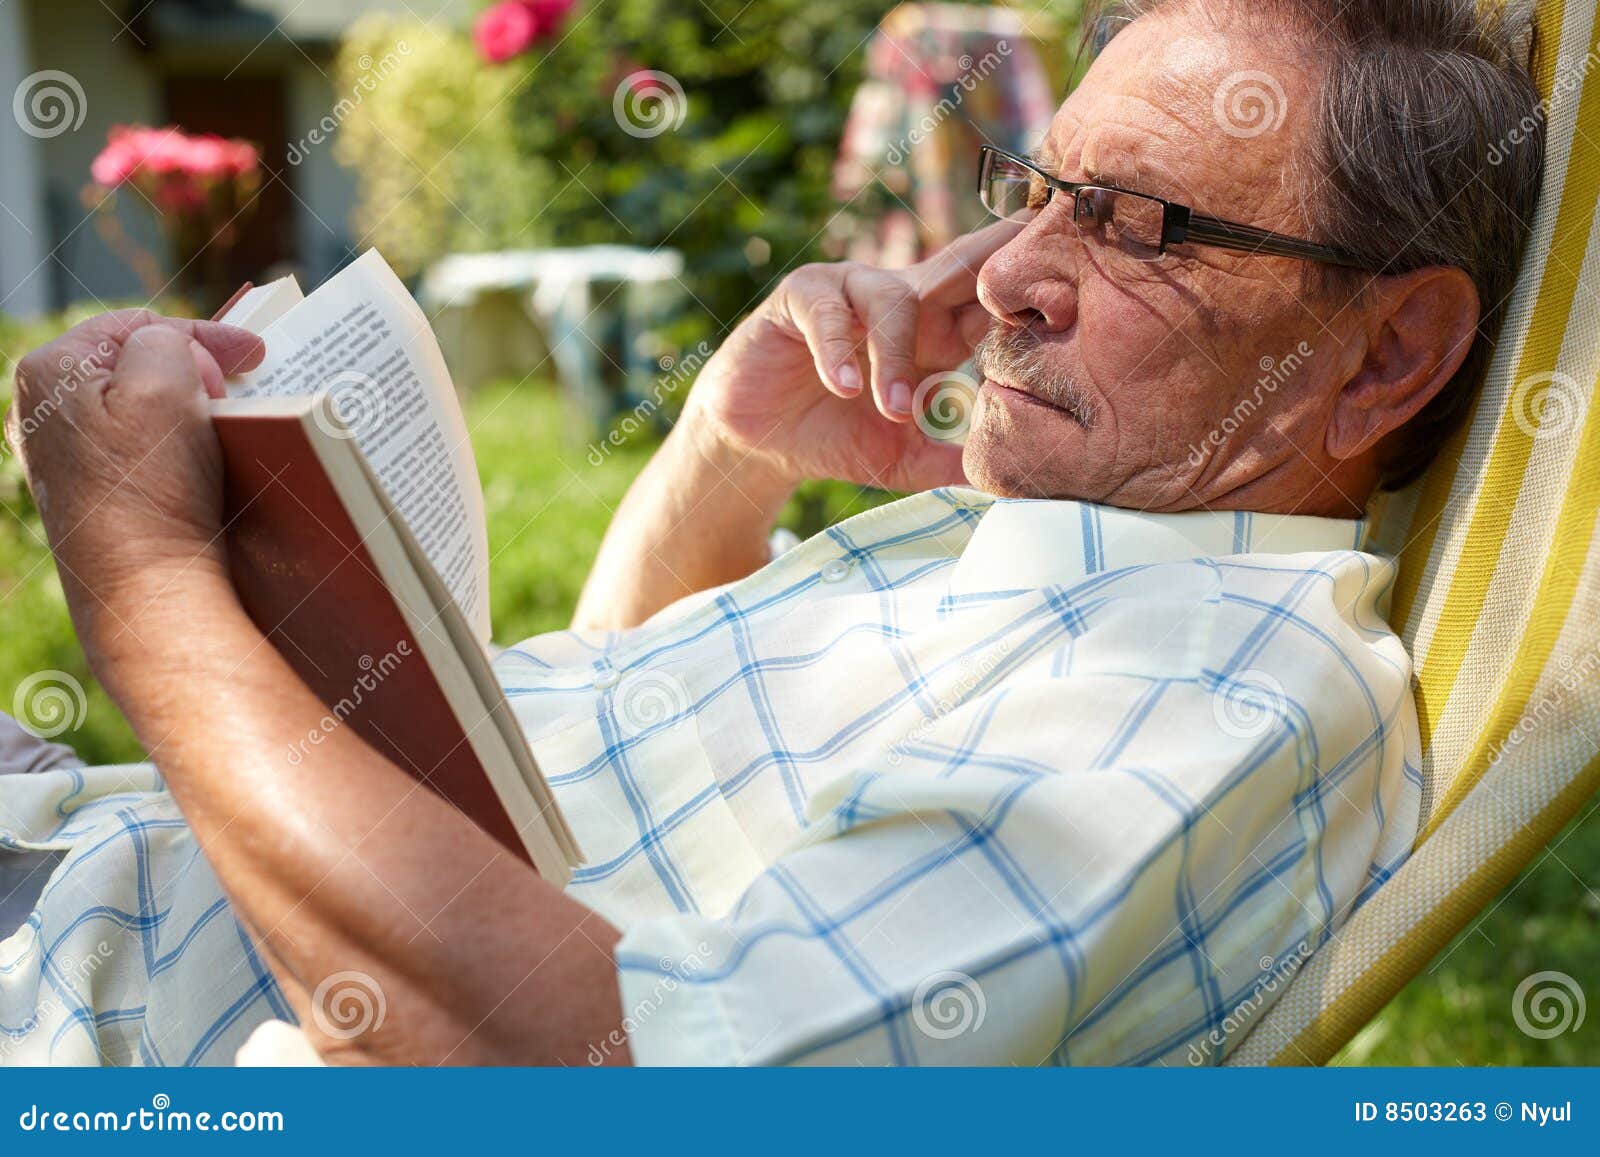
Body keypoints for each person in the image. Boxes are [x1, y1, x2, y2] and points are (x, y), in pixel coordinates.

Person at [0, 0, 1543, 1065]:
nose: (1007, 274)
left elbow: (575, 1078)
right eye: (1047, 188)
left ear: (1388, 354)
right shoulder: (1083, 526)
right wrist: (726, 457)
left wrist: (141, 580)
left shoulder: (1214, 696)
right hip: (74, 853)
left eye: (1139, 223)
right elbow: (603, 775)